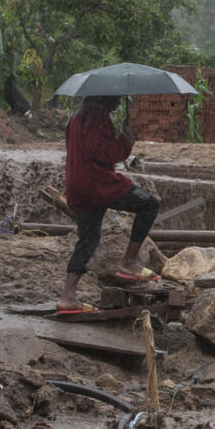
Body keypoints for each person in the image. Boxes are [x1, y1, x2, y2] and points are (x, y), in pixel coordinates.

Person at [56, 95, 162, 315]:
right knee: (149, 205)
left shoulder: (78, 115)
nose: (118, 102)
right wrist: (126, 140)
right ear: (105, 95)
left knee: (88, 239)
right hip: (98, 184)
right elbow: (104, 153)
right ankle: (130, 261)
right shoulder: (97, 115)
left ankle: (67, 296)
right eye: (117, 97)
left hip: (78, 184)